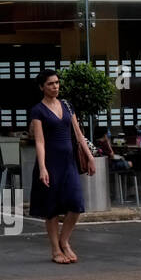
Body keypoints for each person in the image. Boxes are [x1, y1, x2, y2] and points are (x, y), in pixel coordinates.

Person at [28, 69, 95, 264]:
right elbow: (39, 142)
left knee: (76, 203)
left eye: (57, 82)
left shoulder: (66, 105)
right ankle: (56, 250)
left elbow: (78, 134)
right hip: (50, 163)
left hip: (69, 163)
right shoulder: (38, 110)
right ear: (42, 87)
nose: (55, 86)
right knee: (52, 209)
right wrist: (42, 167)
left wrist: (90, 157)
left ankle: (64, 241)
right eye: (50, 83)